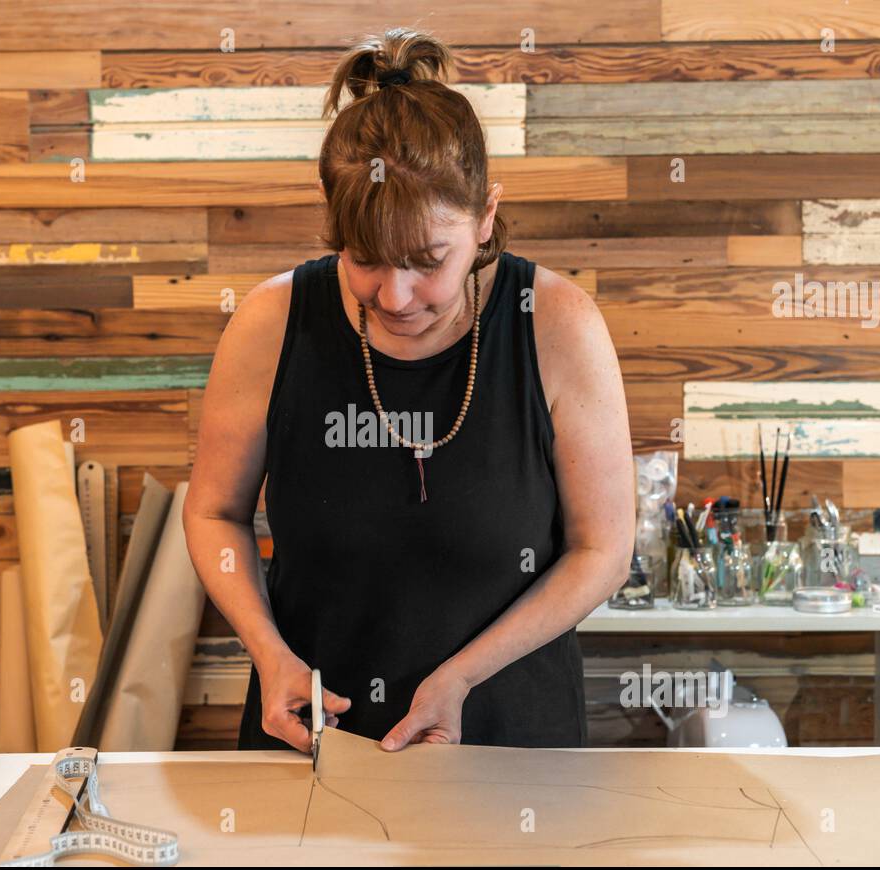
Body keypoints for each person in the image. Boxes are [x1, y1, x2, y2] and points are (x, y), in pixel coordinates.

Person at [183, 27, 634, 753]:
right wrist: (268, 653)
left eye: (428, 260)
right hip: (315, 740)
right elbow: (213, 513)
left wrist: (459, 677)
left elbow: (602, 550)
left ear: (486, 216)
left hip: (508, 741)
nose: (394, 296)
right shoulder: (271, 323)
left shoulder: (555, 323)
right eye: (364, 259)